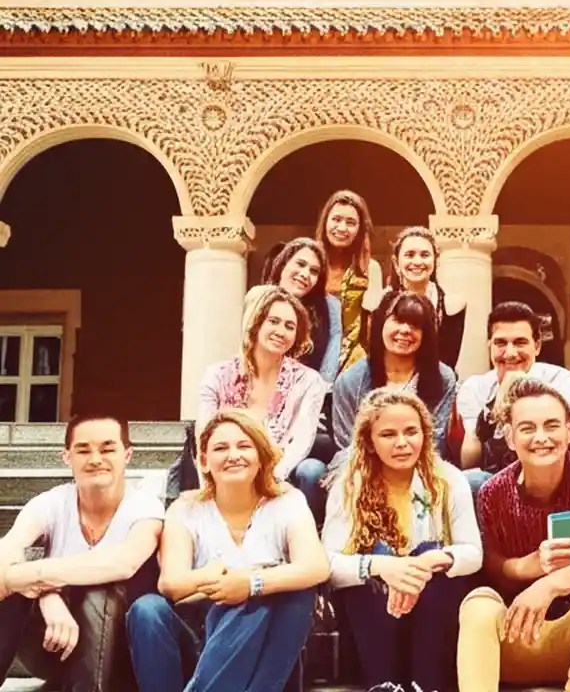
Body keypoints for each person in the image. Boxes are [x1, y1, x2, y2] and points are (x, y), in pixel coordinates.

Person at [126, 410, 330, 692]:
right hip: (197, 629)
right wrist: (226, 585)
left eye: (244, 446)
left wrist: (249, 583)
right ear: (204, 461)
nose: (233, 455)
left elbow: (317, 567)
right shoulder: (185, 508)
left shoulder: (287, 501)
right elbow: (171, 584)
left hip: (264, 643)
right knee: (146, 609)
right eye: (221, 448)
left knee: (290, 590)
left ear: (261, 456)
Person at [458, 377, 570, 692]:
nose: (541, 438)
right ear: (509, 437)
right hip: (513, 631)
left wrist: (549, 584)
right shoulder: (494, 492)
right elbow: (493, 568)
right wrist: (531, 565)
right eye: (527, 428)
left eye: (552, 426)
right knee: (477, 604)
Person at [323, 388, 481, 692]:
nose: (402, 443)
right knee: (373, 556)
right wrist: (383, 567)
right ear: (369, 441)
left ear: (425, 434)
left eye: (411, 431)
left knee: (432, 553)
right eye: (388, 434)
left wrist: (429, 562)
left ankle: (427, 684)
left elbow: (473, 553)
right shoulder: (349, 486)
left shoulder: (449, 479)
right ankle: (383, 684)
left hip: (432, 604)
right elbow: (327, 564)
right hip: (374, 609)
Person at [0, 415, 163, 691]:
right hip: (54, 642)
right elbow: (6, 551)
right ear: (67, 457)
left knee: (100, 593)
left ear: (128, 454)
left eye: (108, 449)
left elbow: (122, 563)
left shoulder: (144, 507)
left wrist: (35, 575)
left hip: (122, 650)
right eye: (84, 450)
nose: (95, 459)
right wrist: (46, 595)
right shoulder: (51, 503)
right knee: (16, 592)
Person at [200, 286, 328, 520]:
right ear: (257, 322)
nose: (281, 331)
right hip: (227, 472)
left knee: (311, 471)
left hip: (279, 475)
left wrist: (267, 481)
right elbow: (204, 437)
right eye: (274, 321)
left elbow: (301, 442)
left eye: (289, 326)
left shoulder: (310, 382)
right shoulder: (216, 376)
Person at [455, 301, 570, 494]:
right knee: (470, 482)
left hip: (550, 472)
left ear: (537, 346)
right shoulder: (474, 387)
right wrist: (496, 405)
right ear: (490, 346)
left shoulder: (561, 379)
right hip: (494, 480)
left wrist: (517, 388)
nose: (510, 353)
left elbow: (558, 442)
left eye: (520, 343)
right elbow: (469, 461)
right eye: (501, 343)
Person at [330, 291, 458, 470]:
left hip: (419, 466)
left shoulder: (443, 378)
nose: (405, 330)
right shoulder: (350, 380)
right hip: (361, 467)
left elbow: (434, 440)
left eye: (415, 325)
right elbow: (347, 442)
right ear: (381, 322)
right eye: (397, 320)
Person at [316, 189, 383, 373]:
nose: (342, 228)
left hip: (354, 360)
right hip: (312, 351)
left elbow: (373, 320)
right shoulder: (311, 263)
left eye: (351, 222)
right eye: (336, 220)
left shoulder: (369, 268)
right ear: (325, 222)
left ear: (360, 229)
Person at [262, 237, 343, 383]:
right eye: (300, 264)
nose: (305, 274)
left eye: (314, 271)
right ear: (283, 263)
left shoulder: (329, 308)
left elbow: (328, 370)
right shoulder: (258, 301)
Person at [388, 226, 468, 369]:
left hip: (437, 382)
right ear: (396, 263)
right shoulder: (384, 303)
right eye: (410, 255)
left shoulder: (453, 305)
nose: (417, 262)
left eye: (425, 255)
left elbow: (448, 360)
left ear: (436, 261)